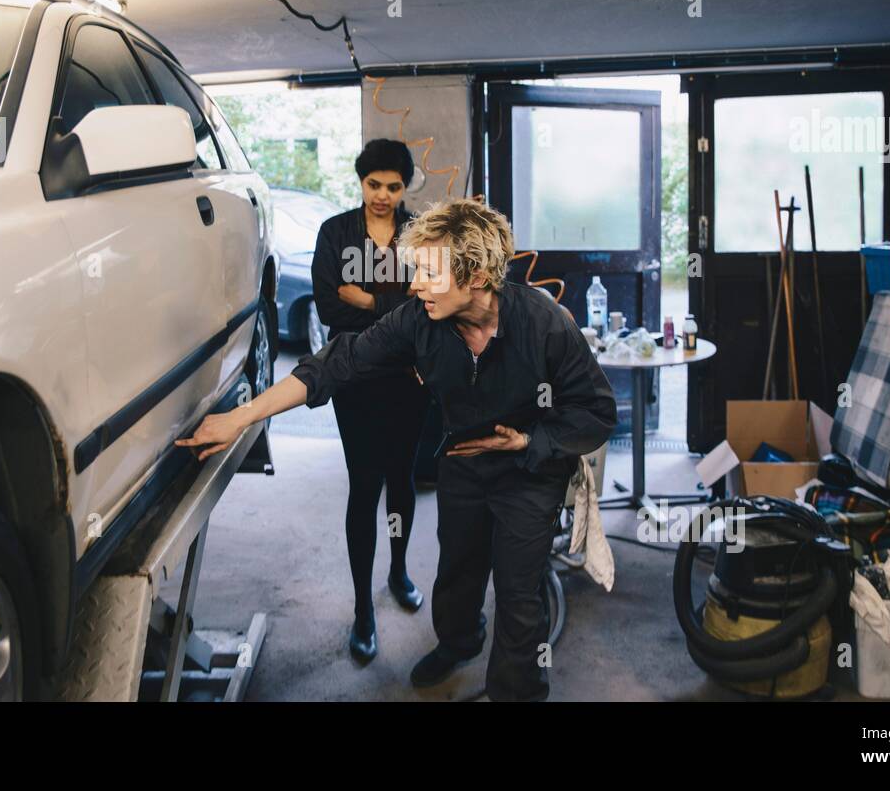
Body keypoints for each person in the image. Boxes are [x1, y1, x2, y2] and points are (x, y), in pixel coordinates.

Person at [178, 198, 617, 701]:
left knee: (520, 598)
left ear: (476, 277)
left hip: (530, 470)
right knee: (457, 574)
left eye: (429, 273)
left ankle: (518, 692)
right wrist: (242, 416)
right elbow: (335, 363)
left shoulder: (544, 323)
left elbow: (596, 410)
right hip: (463, 462)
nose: (414, 284)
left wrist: (530, 440)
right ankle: (458, 643)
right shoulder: (419, 320)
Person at [308, 138, 429, 662]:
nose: (382, 195)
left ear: (405, 187)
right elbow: (328, 306)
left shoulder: (420, 233)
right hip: (355, 376)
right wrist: (394, 303)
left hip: (408, 378)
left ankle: (398, 571)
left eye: (393, 187)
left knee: (402, 479)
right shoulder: (335, 232)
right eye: (373, 184)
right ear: (360, 182)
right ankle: (363, 608)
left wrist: (367, 298)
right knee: (364, 486)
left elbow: (427, 305)